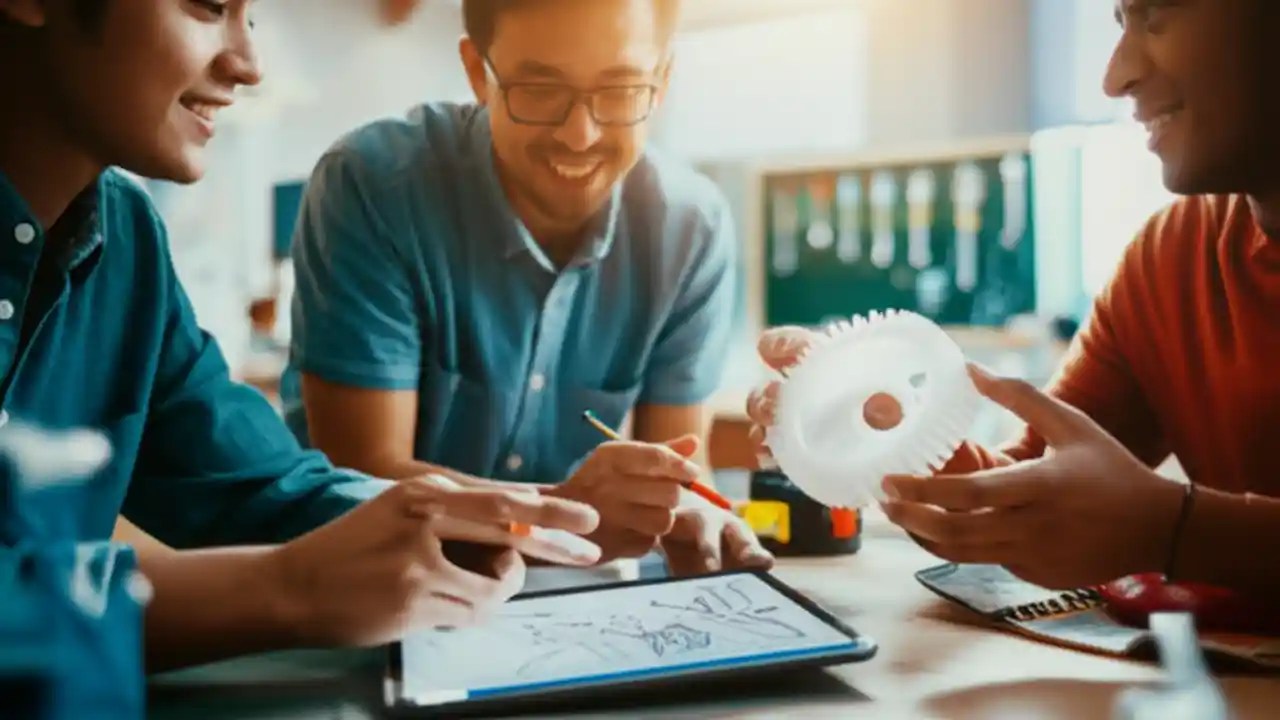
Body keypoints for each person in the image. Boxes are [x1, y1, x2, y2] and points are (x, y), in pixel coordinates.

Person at [0, 0, 603, 672]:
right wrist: (285, 587)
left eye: (250, 19)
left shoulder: (128, 240)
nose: (248, 65)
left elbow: (256, 485)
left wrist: (522, 517)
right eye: (207, 6)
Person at [747, 0, 1280, 600]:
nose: (1115, 76)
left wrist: (1175, 529)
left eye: (1155, 14)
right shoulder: (1172, 257)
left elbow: (1148, 526)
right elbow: (1023, 504)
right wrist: (883, 433)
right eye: (1117, 23)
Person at [282, 0, 773, 575]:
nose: (579, 134)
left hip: (576, 592)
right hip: (376, 580)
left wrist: (691, 512)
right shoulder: (373, 185)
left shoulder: (692, 228)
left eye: (619, 92)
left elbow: (678, 467)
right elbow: (362, 471)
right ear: (476, 71)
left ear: (662, 80)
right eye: (539, 89)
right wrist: (561, 511)